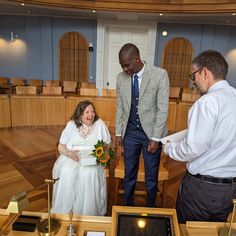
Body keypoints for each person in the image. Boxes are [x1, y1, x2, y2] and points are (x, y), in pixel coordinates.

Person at [164, 50, 236, 223]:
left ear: (205, 72)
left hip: (203, 189)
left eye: (193, 75)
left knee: (188, 229)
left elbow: (192, 149)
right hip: (230, 189)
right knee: (214, 231)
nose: (193, 80)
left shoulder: (207, 102)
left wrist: (168, 147)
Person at [115, 43, 169, 207]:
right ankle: (127, 205)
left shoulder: (159, 75)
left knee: (151, 174)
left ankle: (151, 206)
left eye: (127, 65)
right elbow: (119, 106)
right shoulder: (120, 78)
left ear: (137, 60)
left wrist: (155, 138)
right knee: (129, 172)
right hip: (130, 132)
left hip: (151, 134)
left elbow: (162, 109)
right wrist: (118, 132)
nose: (124, 69)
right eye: (122, 65)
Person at [51, 100, 111, 215]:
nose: (91, 115)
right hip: (72, 156)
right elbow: (61, 145)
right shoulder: (71, 124)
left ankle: (86, 212)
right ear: (80, 114)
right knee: (66, 171)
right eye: (87, 112)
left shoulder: (99, 124)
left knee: (87, 173)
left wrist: (102, 155)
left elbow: (106, 145)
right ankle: (66, 210)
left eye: (92, 112)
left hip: (92, 158)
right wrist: (69, 154)